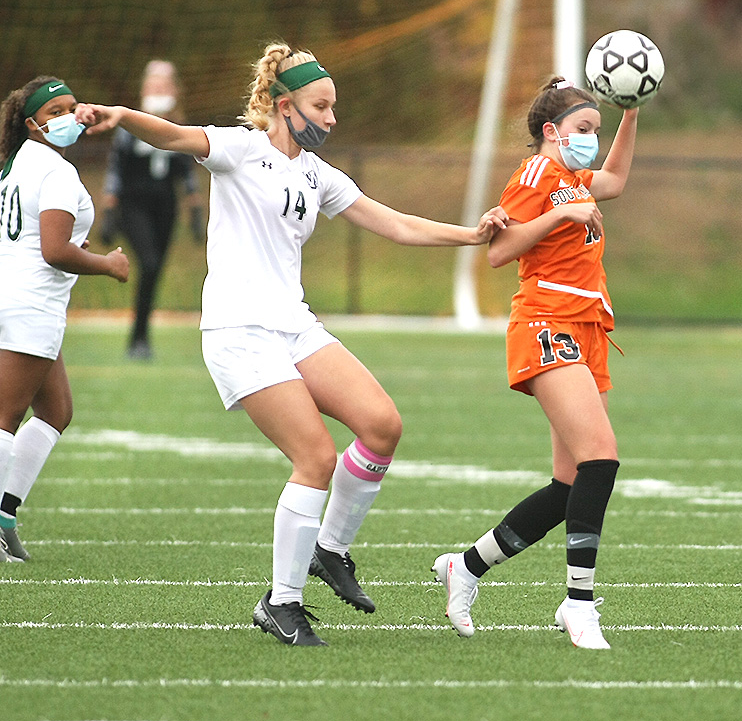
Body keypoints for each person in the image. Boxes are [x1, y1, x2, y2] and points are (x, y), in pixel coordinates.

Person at [76, 42, 507, 646]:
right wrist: (122, 114)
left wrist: (473, 235)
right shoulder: (241, 148)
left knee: (382, 425)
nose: (332, 118)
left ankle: (330, 550)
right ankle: (282, 603)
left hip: (293, 326)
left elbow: (395, 224)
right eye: (321, 106)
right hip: (238, 330)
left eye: (333, 107)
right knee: (316, 459)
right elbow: (172, 136)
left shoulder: (316, 173)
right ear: (284, 105)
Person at [432, 77, 638, 650]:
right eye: (583, 129)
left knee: (568, 484)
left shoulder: (572, 179)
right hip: (547, 324)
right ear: (552, 131)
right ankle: (579, 603)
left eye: (596, 130)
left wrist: (631, 111)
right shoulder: (535, 175)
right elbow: (499, 251)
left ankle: (466, 566)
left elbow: (616, 180)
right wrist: (560, 218)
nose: (591, 139)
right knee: (601, 458)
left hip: (587, 328)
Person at [0, 76, 129, 562]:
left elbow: (33, 238)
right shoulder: (54, 169)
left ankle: (5, 516)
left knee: (56, 411)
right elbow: (54, 251)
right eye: (54, 111)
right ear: (31, 122)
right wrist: (107, 264)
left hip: (17, 296)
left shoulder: (16, 163)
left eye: (71, 108)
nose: (67, 117)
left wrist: (76, 250)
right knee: (5, 416)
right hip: (30, 304)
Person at [100, 60, 204, 360]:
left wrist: (194, 207)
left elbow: (186, 169)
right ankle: (138, 338)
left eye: (163, 85)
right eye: (153, 85)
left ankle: (141, 337)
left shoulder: (179, 126)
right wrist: (110, 207)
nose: (158, 90)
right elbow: (116, 166)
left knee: (154, 270)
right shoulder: (131, 125)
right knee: (148, 262)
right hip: (133, 203)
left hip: (165, 205)